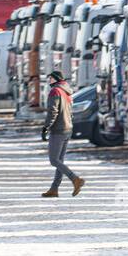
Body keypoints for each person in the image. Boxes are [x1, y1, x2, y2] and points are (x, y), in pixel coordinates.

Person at [41, 70, 84, 198]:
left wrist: (46, 127)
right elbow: (70, 112)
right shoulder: (67, 91)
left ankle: (75, 179)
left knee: (54, 160)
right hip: (67, 128)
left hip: (58, 129)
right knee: (59, 160)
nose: (49, 80)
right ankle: (54, 189)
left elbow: (52, 112)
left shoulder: (55, 91)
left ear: (56, 79)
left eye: (50, 78)